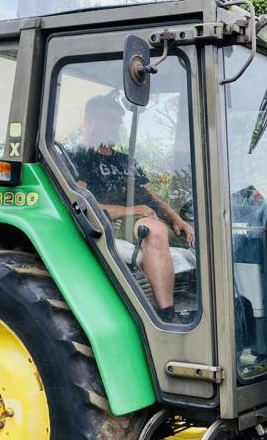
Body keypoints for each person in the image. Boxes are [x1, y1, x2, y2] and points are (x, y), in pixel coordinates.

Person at [68, 93, 194, 322]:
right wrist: (133, 210)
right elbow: (80, 202)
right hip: (110, 220)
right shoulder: (80, 157)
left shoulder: (126, 160)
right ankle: (166, 316)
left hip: (142, 215)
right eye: (111, 122)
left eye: (118, 122)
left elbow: (153, 196)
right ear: (91, 122)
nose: (117, 128)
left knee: (198, 231)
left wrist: (177, 219)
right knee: (154, 231)